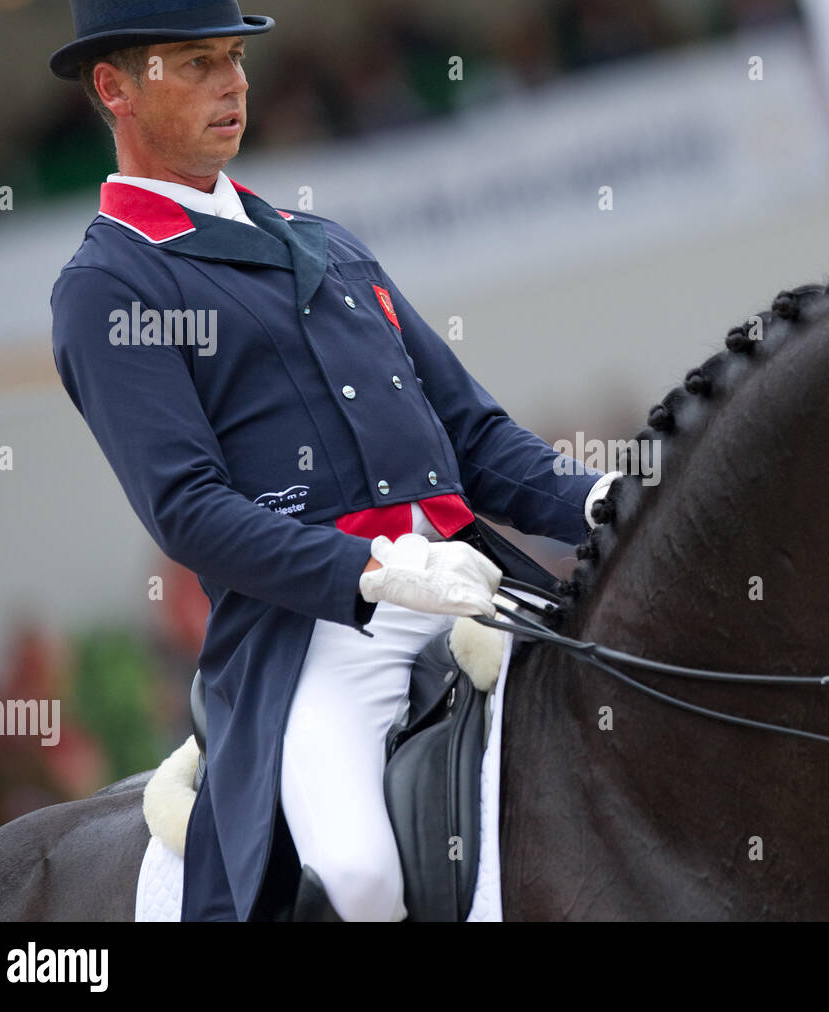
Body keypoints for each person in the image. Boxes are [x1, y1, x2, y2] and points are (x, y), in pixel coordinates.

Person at [48, 0, 619, 921]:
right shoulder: (112, 284)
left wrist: (604, 501)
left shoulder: (327, 242)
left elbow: (473, 437)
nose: (233, 83)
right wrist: (380, 571)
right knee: (357, 876)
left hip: (477, 581)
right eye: (195, 64)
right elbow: (190, 510)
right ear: (115, 87)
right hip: (317, 631)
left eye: (233, 58)